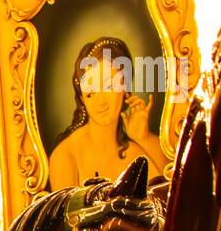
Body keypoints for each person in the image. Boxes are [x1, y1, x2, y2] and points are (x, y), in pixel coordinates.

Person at [47, 36, 167, 188]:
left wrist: (144, 138)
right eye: (91, 93)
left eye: (109, 86)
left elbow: (173, 187)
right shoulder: (66, 156)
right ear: (82, 99)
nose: (101, 102)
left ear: (125, 86)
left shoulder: (136, 153)